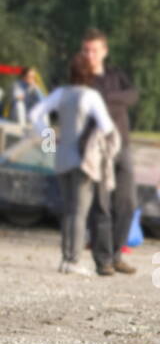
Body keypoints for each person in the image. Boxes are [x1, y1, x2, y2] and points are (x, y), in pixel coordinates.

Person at [28, 54, 117, 276]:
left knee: (67, 211)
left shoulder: (60, 93)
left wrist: (49, 140)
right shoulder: (91, 96)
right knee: (79, 212)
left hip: (61, 156)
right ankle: (74, 260)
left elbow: (34, 114)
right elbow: (106, 127)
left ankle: (65, 258)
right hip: (83, 159)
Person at [82, 29, 140, 274]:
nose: (90, 55)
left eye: (94, 50)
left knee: (127, 202)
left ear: (104, 51)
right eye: (85, 50)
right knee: (101, 206)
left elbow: (133, 95)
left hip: (122, 145)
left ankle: (118, 253)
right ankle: (103, 260)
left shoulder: (116, 74)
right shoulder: (79, 78)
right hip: (95, 149)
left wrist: (104, 98)